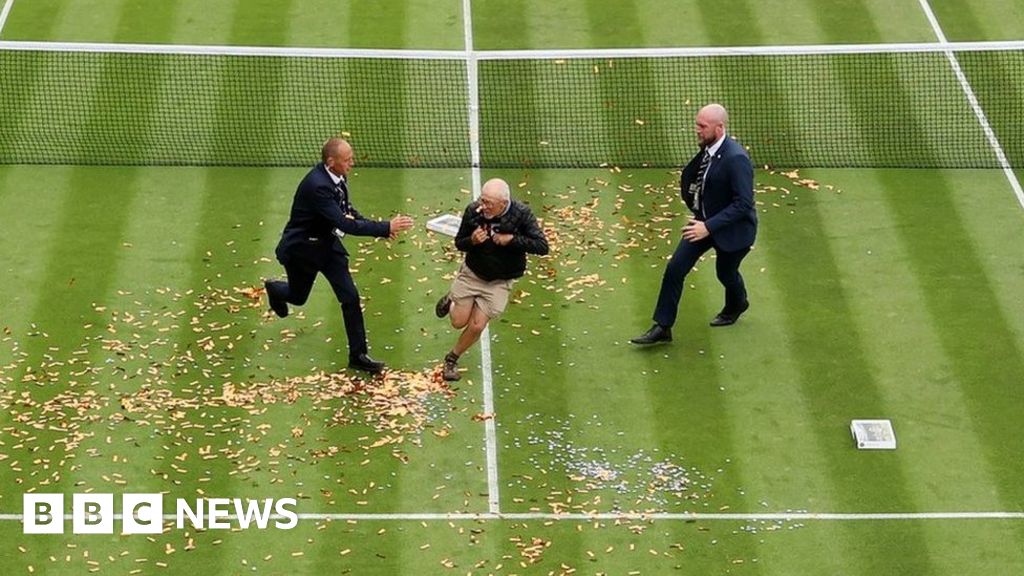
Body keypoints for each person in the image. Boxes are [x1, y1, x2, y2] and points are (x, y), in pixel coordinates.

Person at [264, 138, 414, 373]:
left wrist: (381, 231)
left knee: (350, 298)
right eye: (347, 160)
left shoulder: (337, 177)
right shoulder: (317, 187)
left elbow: (347, 210)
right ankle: (274, 289)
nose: (352, 164)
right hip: (302, 250)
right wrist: (384, 227)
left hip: (327, 248)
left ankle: (358, 355)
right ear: (331, 161)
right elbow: (343, 222)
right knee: (298, 296)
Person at [631, 103, 757, 345]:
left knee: (726, 272)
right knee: (675, 268)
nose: (697, 130)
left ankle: (737, 303)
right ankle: (663, 326)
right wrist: (699, 212)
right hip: (703, 222)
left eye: (702, 126)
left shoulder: (736, 158)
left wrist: (708, 226)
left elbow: (743, 204)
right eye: (697, 124)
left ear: (719, 128)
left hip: (733, 231)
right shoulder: (708, 150)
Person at [434, 178, 549, 381]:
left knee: (477, 325)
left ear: (503, 204)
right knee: (458, 322)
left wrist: (512, 240)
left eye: (489, 203)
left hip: (500, 280)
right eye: (482, 200)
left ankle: (452, 359)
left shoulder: (522, 214)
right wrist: (472, 240)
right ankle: (452, 300)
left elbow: (541, 246)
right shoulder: (473, 211)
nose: (483, 206)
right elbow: (459, 242)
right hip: (473, 273)